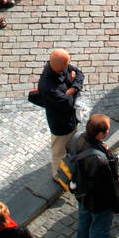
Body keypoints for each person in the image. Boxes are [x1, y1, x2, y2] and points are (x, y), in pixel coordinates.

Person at [71, 113, 119, 238]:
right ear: (100, 134)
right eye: (107, 131)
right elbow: (108, 187)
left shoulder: (77, 138)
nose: (108, 133)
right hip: (97, 199)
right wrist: (116, 205)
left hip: (81, 191)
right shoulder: (99, 161)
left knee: (84, 218)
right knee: (100, 226)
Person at [35, 48, 84, 176]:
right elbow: (67, 104)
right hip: (60, 124)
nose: (69, 68)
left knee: (71, 144)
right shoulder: (47, 85)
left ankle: (70, 164)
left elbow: (79, 74)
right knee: (59, 152)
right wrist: (72, 86)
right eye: (66, 66)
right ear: (59, 67)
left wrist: (72, 88)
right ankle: (58, 175)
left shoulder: (62, 66)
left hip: (72, 119)